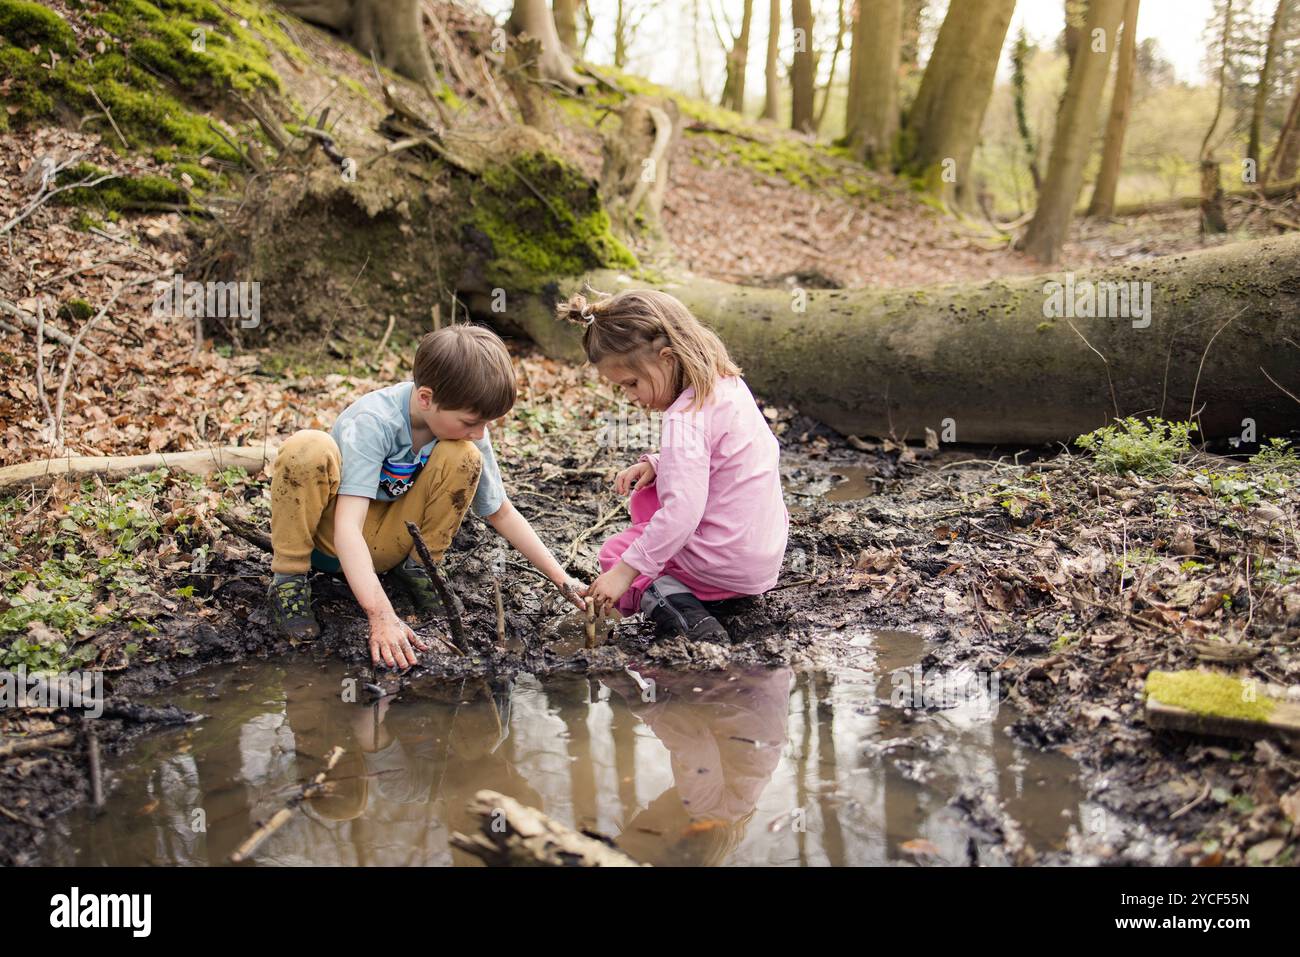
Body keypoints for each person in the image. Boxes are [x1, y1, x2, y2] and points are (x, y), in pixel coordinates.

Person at [266, 324, 584, 667]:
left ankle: (419, 569)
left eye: (487, 423)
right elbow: (346, 528)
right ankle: (288, 581)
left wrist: (563, 580)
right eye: (471, 422)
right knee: (308, 447)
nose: (479, 432)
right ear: (426, 399)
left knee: (464, 456)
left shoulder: (468, 433)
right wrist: (381, 615)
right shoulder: (374, 420)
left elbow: (501, 512)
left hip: (386, 547)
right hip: (329, 543)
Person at [561, 288, 789, 641]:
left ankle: (682, 612)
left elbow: (683, 510)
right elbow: (723, 456)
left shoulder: (683, 419)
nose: (631, 397)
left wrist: (623, 573)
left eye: (632, 383)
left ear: (667, 358)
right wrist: (659, 462)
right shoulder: (728, 385)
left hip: (722, 561)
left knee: (615, 554)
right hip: (760, 557)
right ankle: (712, 597)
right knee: (649, 523)